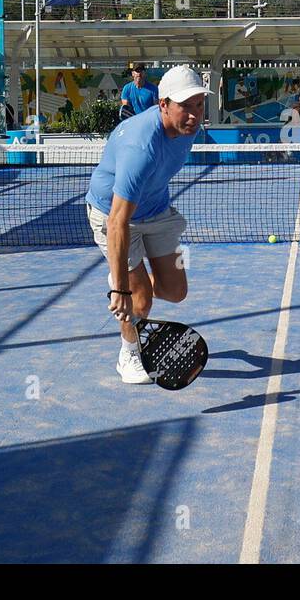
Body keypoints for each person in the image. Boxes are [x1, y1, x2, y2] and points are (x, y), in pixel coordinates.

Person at [86, 65, 207, 385]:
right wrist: (123, 289)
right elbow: (117, 221)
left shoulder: (187, 131)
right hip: (112, 215)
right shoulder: (140, 147)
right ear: (163, 104)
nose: (194, 114)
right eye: (185, 106)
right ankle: (127, 354)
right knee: (139, 301)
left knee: (176, 291)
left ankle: (128, 281)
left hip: (156, 210)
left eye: (199, 104)